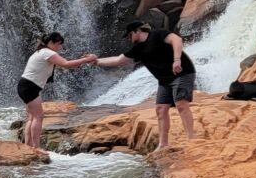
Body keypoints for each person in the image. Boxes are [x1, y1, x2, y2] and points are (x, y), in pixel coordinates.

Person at [94, 20, 198, 150]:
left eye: (129, 35)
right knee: (160, 109)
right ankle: (163, 144)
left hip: (182, 73)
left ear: (138, 31)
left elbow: (176, 40)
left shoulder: (158, 34)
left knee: (181, 104)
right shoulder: (138, 49)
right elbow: (118, 60)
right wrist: (95, 61)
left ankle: (191, 139)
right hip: (164, 80)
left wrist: (177, 60)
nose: (128, 38)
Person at [18, 33, 97, 147]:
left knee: (32, 117)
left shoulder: (41, 51)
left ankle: (28, 146)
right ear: (52, 42)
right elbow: (66, 64)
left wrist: (84, 60)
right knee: (38, 117)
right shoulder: (48, 53)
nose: (60, 47)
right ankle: (36, 147)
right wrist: (87, 59)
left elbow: (69, 65)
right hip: (29, 86)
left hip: (26, 85)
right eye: (59, 44)